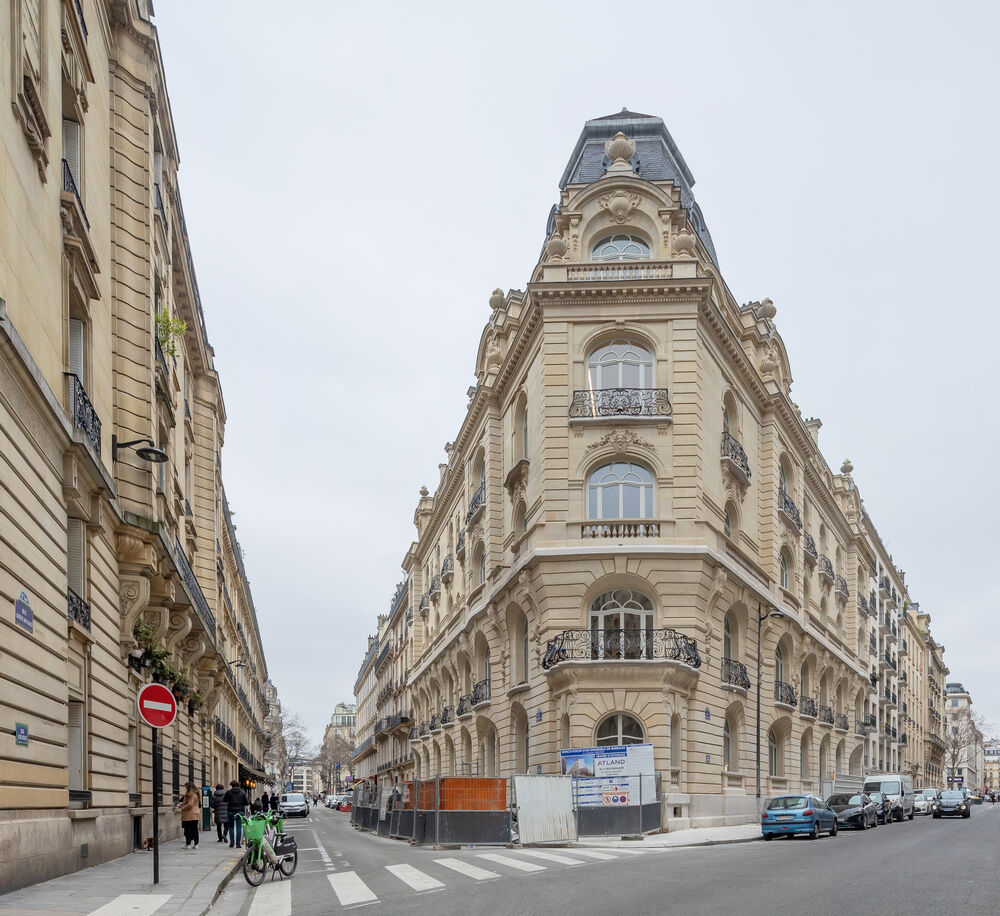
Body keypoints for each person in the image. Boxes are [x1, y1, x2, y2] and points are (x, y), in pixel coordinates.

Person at [223, 780, 248, 848]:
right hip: (240, 811)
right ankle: (238, 844)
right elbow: (246, 802)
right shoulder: (243, 792)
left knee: (231, 827)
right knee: (239, 827)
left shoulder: (229, 792)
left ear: (231, 785)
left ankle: (232, 843)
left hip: (231, 811)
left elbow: (224, 800)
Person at [177, 782, 201, 850]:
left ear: (189, 787)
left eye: (186, 787)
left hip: (189, 814)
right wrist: (181, 804)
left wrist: (183, 807)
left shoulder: (190, 794)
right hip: (195, 813)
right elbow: (191, 803)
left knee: (187, 830)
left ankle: (188, 844)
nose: (185, 788)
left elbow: (190, 804)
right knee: (194, 829)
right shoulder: (196, 793)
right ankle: (196, 844)